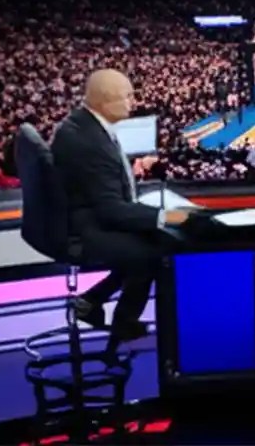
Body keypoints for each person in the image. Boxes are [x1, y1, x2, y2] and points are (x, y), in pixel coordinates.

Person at [51, 69, 190, 341]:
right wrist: (169, 217)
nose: (133, 102)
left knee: (150, 237)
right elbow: (112, 211)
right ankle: (123, 324)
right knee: (151, 251)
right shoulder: (90, 143)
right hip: (85, 226)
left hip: (80, 213)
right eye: (127, 96)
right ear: (105, 100)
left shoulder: (82, 126)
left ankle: (91, 300)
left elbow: (97, 183)